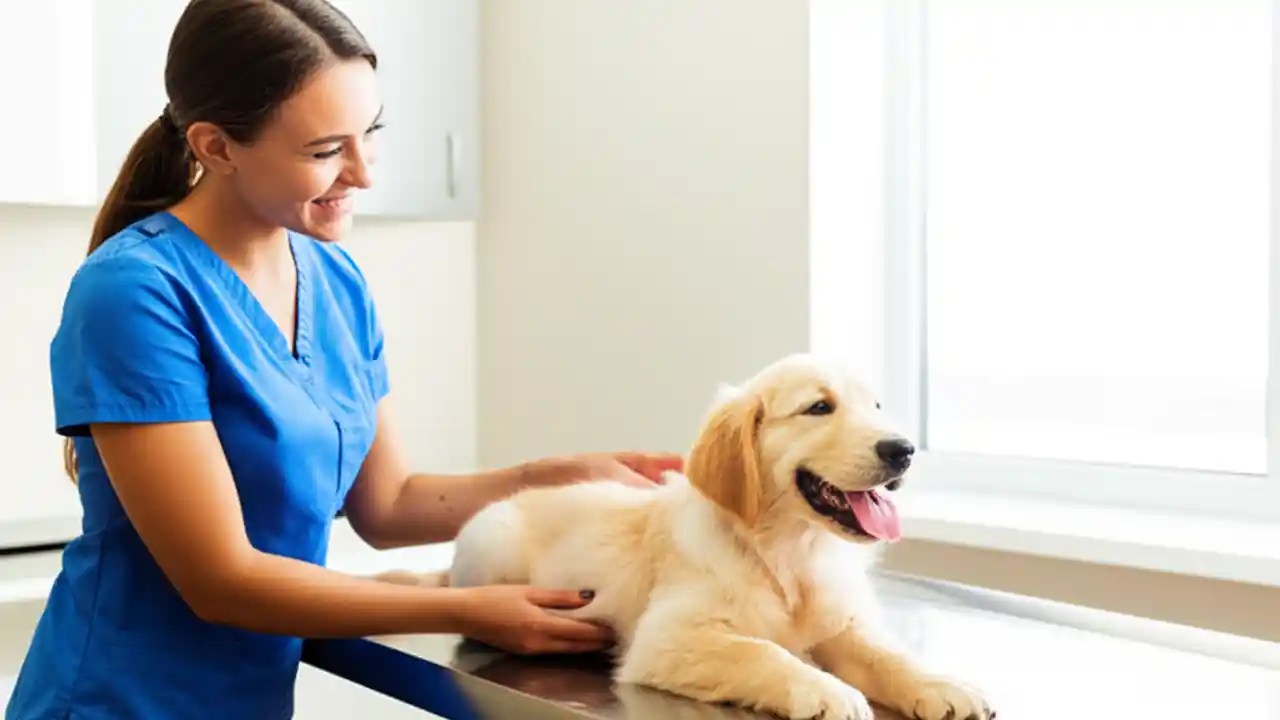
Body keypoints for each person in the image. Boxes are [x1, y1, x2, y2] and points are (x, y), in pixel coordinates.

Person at [5, 1, 682, 718]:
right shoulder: (133, 293)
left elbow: (386, 504)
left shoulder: (333, 279)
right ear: (216, 147)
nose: (362, 172)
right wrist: (468, 609)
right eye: (325, 150)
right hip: (115, 701)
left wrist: (552, 478)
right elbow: (219, 578)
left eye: (372, 133)